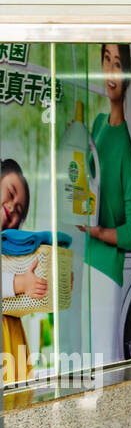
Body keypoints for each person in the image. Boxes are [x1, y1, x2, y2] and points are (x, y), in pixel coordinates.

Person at [80, 44, 131, 366]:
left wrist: (100, 231)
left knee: (104, 359)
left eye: (119, 64)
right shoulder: (99, 125)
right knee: (86, 356)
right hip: (85, 258)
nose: (111, 72)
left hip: (106, 268)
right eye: (107, 60)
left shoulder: (125, 148)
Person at [2, 157, 41, 384]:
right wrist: (18, 283)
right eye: (10, 192)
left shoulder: (11, 247)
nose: (12, 207)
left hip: (12, 339)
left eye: (19, 210)